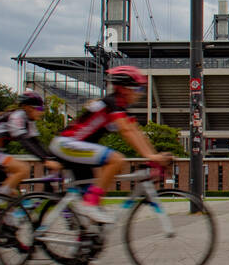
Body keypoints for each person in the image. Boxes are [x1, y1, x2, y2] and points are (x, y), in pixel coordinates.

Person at [50, 65, 172, 223]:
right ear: (125, 89)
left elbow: (137, 133)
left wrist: (153, 155)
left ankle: (86, 238)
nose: (140, 94)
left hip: (77, 148)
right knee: (116, 159)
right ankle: (89, 204)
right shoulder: (111, 103)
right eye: (139, 90)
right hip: (67, 144)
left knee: (95, 204)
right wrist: (149, 156)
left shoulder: (121, 108)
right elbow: (126, 131)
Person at [0, 91, 60, 198]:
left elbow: (35, 141)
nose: (42, 113)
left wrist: (48, 158)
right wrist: (45, 160)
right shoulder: (17, 116)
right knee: (23, 169)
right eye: (40, 109)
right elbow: (24, 140)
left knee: (13, 194)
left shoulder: (29, 120)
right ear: (28, 108)